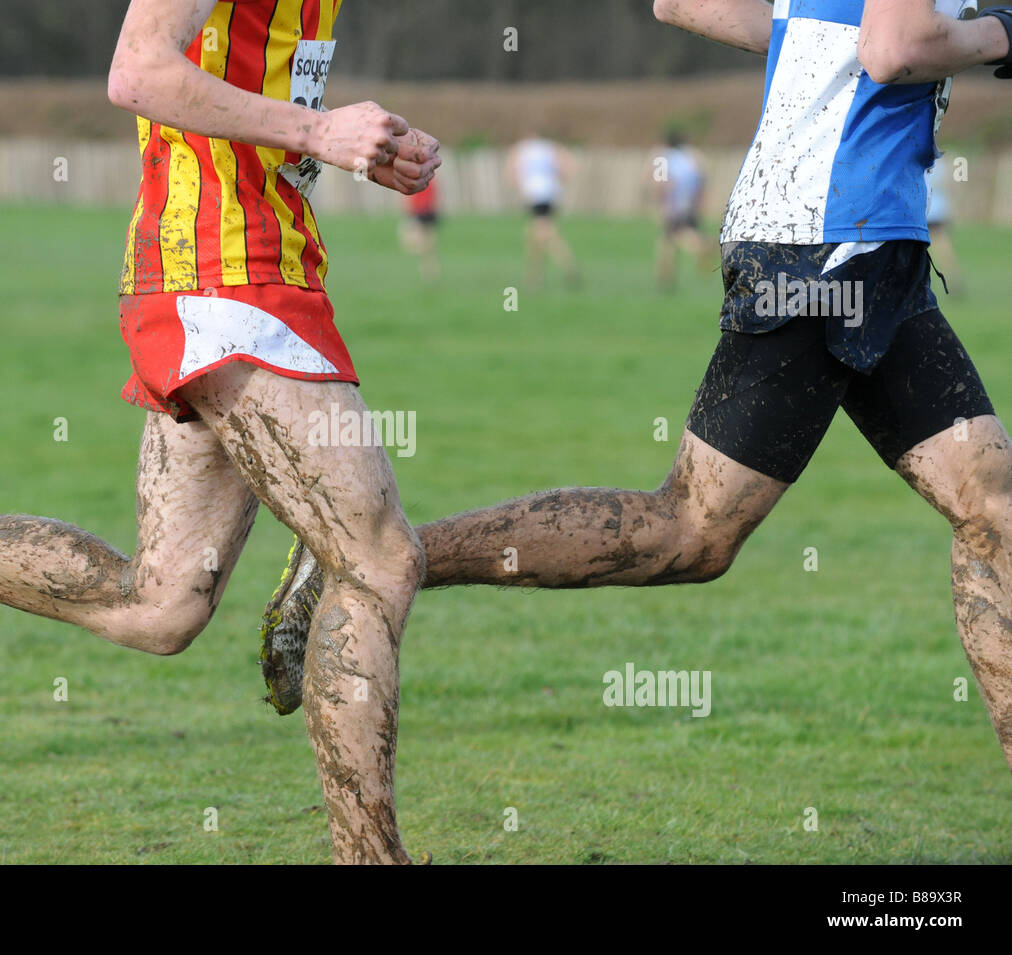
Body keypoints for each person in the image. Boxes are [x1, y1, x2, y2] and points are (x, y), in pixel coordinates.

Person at [0, 0, 439, 866]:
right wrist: (320, 130)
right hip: (218, 278)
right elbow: (137, 69)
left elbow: (249, 76)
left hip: (261, 266)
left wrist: (353, 141)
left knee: (161, 606)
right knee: (379, 556)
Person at [259, 0, 1012, 787]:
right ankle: (382, 554)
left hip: (870, 241)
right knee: (689, 529)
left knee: (989, 497)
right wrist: (999, 33)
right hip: (824, 245)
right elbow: (896, 49)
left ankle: (376, 554)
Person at [507, 136, 580, 289]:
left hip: (535, 194)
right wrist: (559, 181)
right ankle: (534, 277)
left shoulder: (523, 148)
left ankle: (568, 265)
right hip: (550, 194)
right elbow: (569, 166)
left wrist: (519, 185)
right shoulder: (550, 147)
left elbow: (513, 171)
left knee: (545, 233)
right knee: (534, 236)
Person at [652, 128, 710, 289]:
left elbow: (661, 183)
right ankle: (667, 279)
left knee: (669, 239)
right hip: (690, 203)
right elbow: (702, 177)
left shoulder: (662, 157)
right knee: (668, 241)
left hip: (674, 204)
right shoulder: (691, 156)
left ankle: (701, 247)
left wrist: (663, 205)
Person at [925, 158, 966, 296]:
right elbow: (952, 187)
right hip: (939, 212)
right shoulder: (941, 162)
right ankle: (953, 280)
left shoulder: (920, 158)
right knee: (944, 250)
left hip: (926, 213)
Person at [399, 177, 441, 282]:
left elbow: (411, 198)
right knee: (429, 244)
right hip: (430, 212)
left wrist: (408, 210)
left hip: (420, 212)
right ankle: (430, 268)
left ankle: (426, 263)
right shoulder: (431, 181)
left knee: (410, 239)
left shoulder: (415, 181)